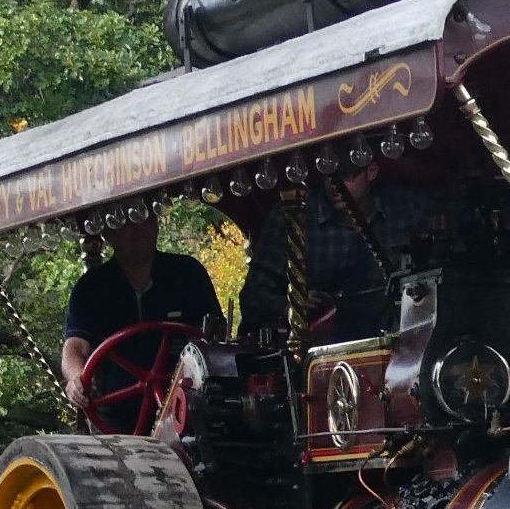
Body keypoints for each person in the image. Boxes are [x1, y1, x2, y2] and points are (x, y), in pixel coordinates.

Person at [238, 165, 440, 342]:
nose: (335, 185)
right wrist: (293, 307)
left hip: (400, 344)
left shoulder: (410, 206)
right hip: (320, 350)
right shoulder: (293, 214)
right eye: (328, 174)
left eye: (348, 175)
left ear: (371, 171)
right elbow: (253, 297)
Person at [62, 216, 223, 417]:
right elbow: (75, 346)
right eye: (125, 221)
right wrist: (77, 379)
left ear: (156, 226)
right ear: (108, 234)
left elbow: (213, 340)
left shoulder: (188, 274)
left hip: (186, 411)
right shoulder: (91, 288)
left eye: (143, 217)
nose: (137, 228)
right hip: (115, 417)